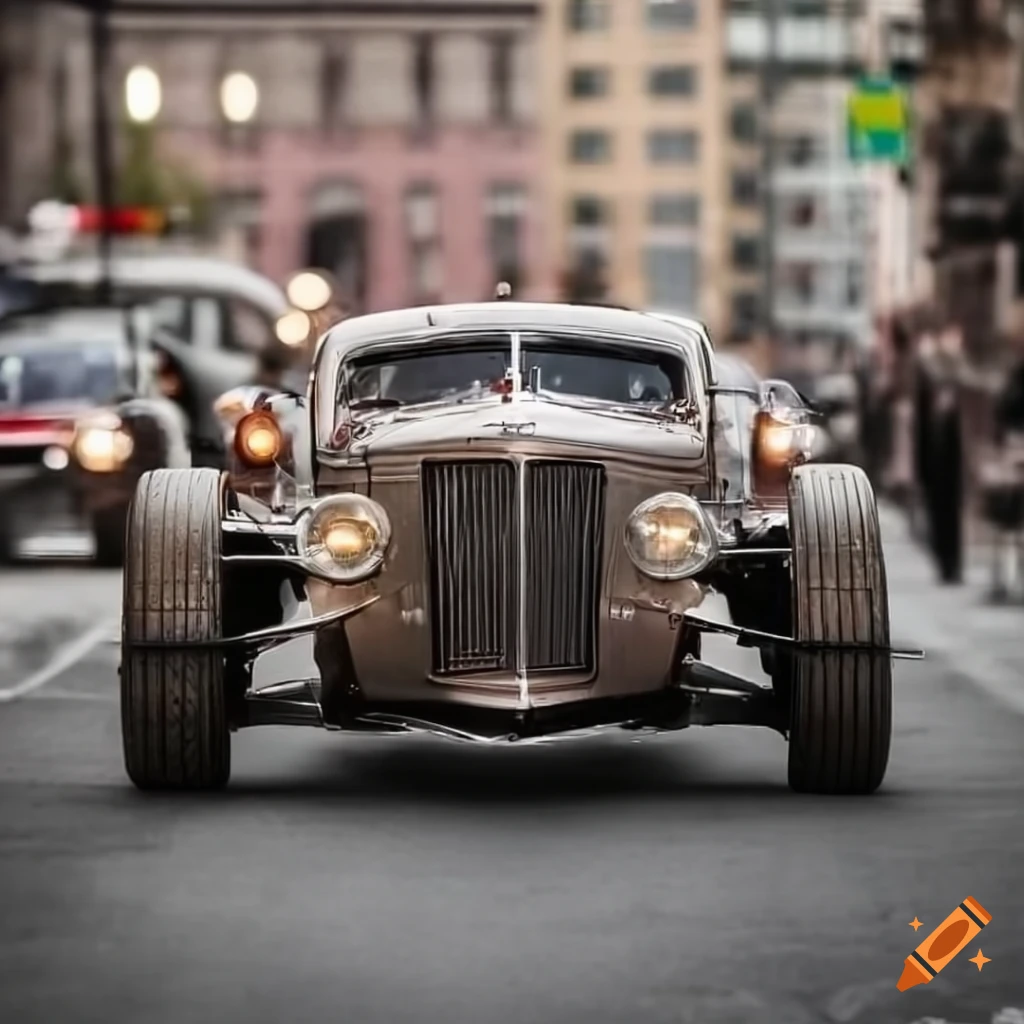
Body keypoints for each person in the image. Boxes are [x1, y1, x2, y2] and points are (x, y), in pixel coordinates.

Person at [917, 325, 966, 584]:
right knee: (938, 510)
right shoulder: (929, 385)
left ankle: (952, 564)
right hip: (935, 460)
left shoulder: (955, 381)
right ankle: (945, 563)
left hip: (951, 462)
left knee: (950, 511)